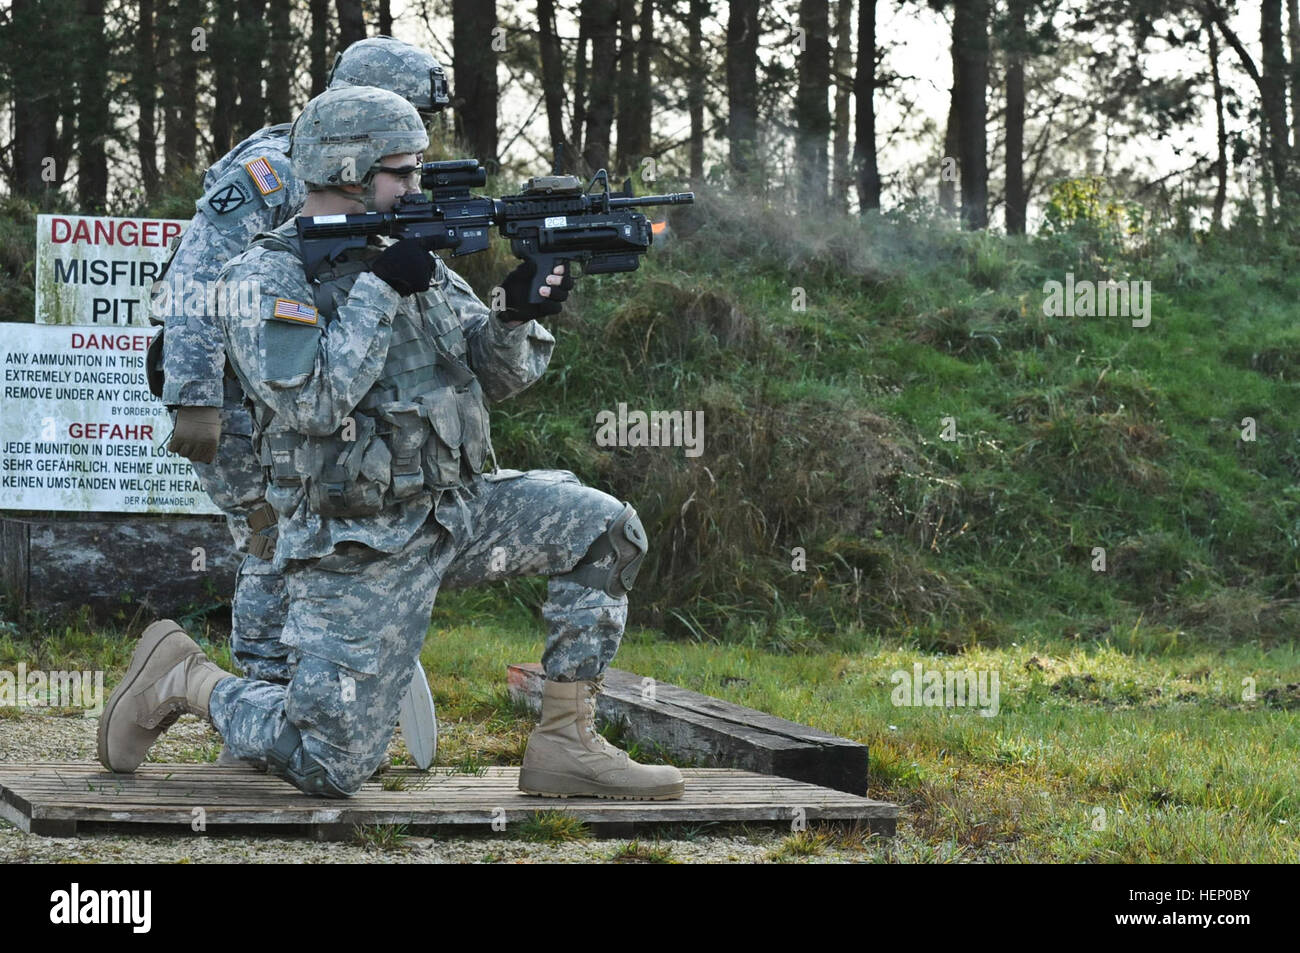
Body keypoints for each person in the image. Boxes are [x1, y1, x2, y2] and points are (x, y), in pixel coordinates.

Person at [100, 84, 685, 801]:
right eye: (402, 172)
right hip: (356, 541)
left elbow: (491, 372)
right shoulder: (264, 274)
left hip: (454, 511)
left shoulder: (412, 257)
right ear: (348, 168)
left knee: (606, 528)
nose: (418, 186)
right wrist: (378, 288)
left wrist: (520, 304)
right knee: (330, 764)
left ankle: (565, 742)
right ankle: (184, 678)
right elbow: (312, 402)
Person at [149, 37, 450, 764]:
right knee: (268, 537)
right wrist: (194, 397)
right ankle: (257, 708)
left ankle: (306, 699)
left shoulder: (379, 176)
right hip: (235, 387)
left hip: (303, 385)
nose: (417, 134)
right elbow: (197, 275)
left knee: (308, 533)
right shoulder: (275, 167)